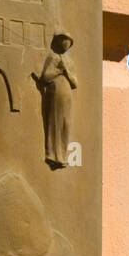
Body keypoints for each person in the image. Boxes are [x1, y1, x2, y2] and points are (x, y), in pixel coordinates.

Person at [33, 32, 78, 168]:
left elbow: (75, 83)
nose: (65, 44)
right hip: (54, 94)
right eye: (63, 41)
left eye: (68, 42)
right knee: (54, 123)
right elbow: (45, 77)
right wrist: (58, 71)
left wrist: (66, 72)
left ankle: (63, 155)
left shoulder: (69, 62)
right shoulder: (53, 58)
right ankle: (52, 154)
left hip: (67, 96)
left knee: (65, 124)